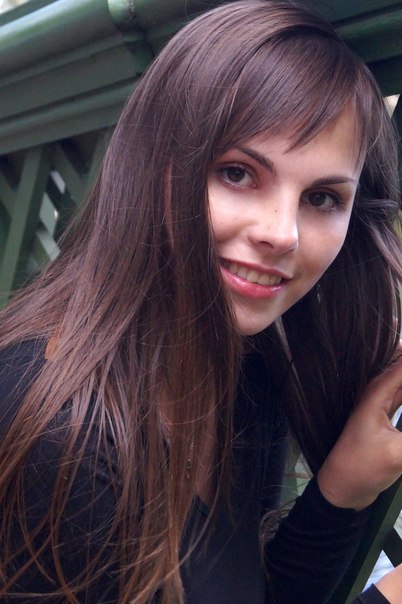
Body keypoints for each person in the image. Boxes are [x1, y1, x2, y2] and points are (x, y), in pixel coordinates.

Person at [1, 1, 402, 602]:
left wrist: (342, 490)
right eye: (237, 173)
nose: (282, 233)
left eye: (322, 198)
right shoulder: (60, 441)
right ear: (152, 168)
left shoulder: (244, 363)